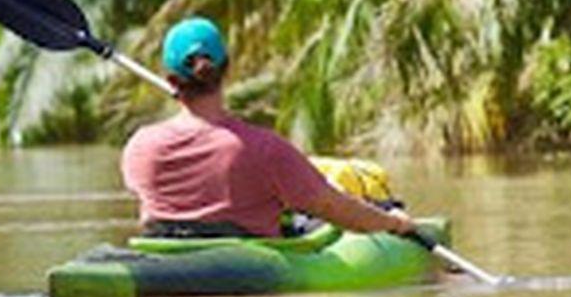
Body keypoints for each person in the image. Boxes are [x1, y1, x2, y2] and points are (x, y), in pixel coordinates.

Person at [120, 16, 420, 241]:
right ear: (228, 69)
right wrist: (393, 222)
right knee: (311, 222)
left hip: (164, 255)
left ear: (171, 80)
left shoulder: (140, 146)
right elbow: (330, 205)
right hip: (244, 262)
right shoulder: (264, 148)